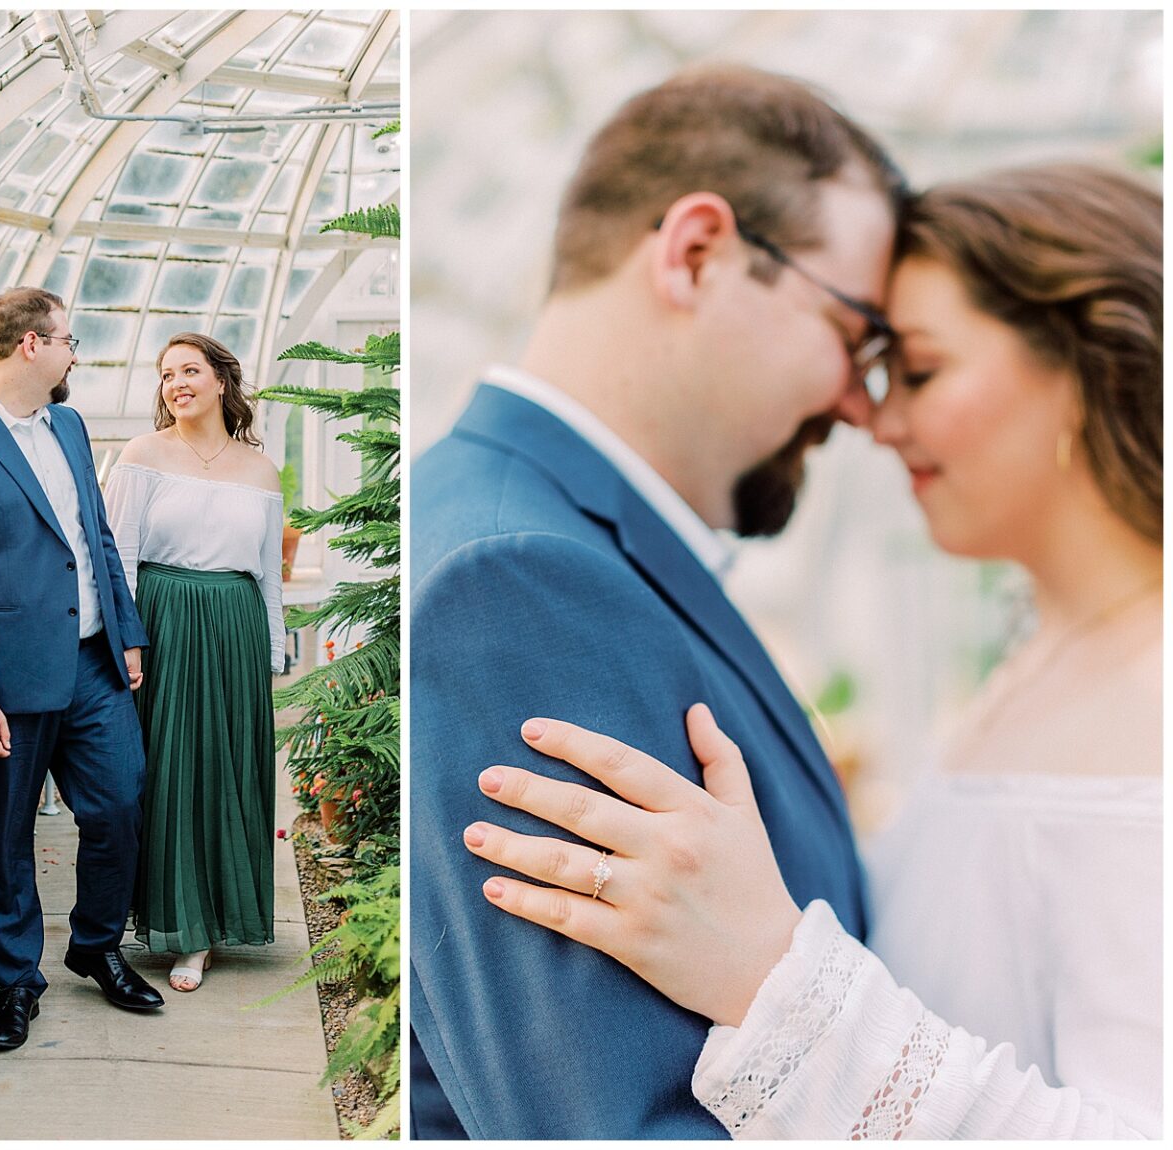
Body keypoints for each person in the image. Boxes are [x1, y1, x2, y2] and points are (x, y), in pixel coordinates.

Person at [467, 164, 1162, 1138]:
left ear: (1087, 367)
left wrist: (773, 982)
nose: (876, 420)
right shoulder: (1043, 648)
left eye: (918, 371)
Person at [409, 65, 906, 1138]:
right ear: (697, 254)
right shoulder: (518, 587)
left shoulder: (539, 538)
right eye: (855, 331)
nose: (862, 406)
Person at [0, 287, 165, 1053]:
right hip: (6, 682)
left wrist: (126, 631)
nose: (74, 353)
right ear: (31, 346)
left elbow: (98, 537)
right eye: (68, 340)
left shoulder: (71, 424)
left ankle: (95, 946)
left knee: (119, 803)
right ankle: (17, 982)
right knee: (7, 836)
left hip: (94, 663)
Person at [103, 332, 285, 993]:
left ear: (220, 381)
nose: (175, 381)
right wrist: (125, 640)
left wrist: (270, 654)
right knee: (170, 773)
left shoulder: (260, 470)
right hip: (163, 621)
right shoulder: (142, 456)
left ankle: (208, 931)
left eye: (189, 370)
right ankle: (173, 920)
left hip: (234, 627)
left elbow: (268, 573)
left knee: (225, 774)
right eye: (165, 373)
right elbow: (117, 555)